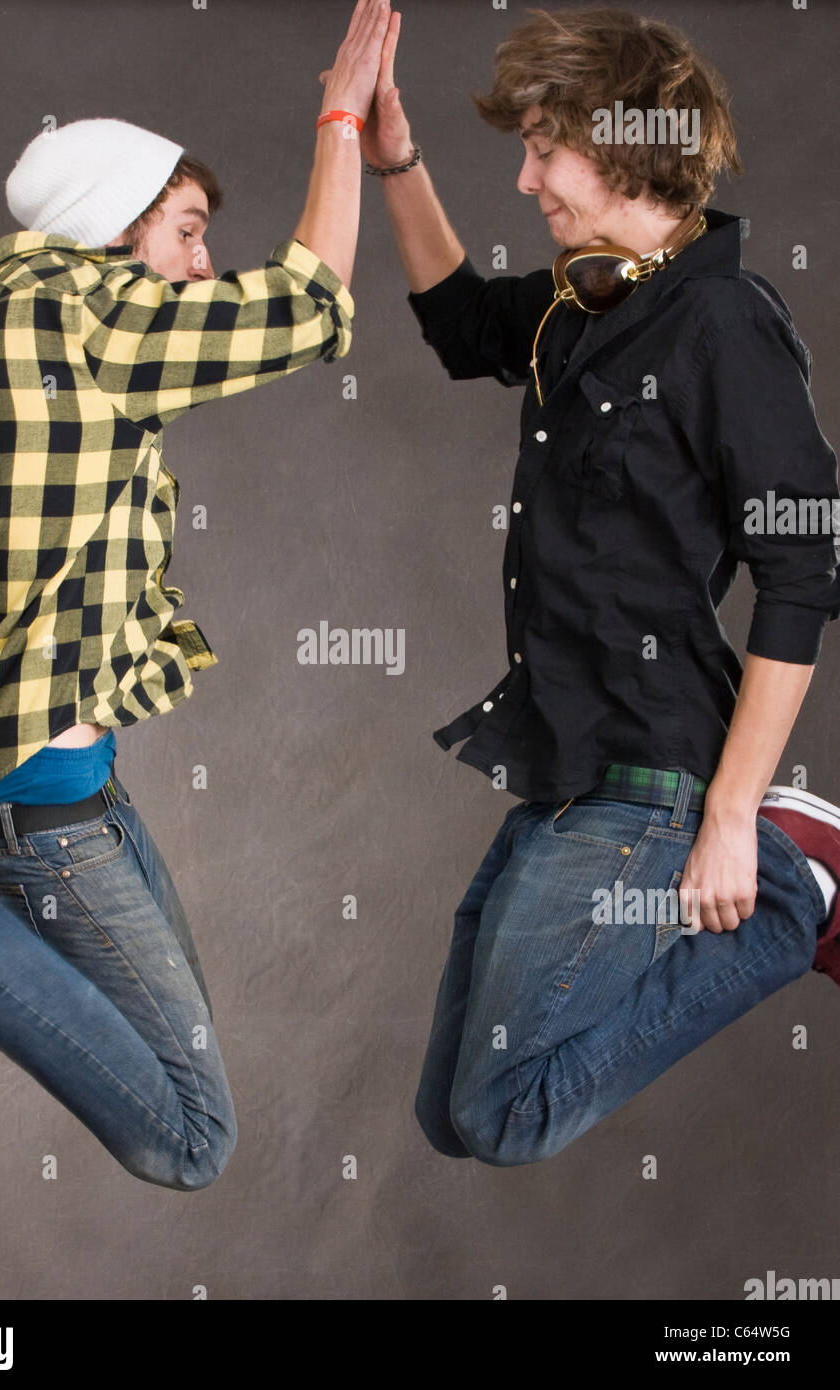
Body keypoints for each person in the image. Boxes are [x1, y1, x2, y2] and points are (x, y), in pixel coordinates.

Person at [0, 0, 393, 1190]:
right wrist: (341, 120)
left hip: (34, 781)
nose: (203, 262)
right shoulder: (101, 318)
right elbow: (310, 307)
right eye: (190, 230)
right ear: (116, 225)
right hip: (34, 801)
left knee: (171, 1046)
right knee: (193, 1135)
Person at [362, 5, 840, 1163]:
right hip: (569, 764)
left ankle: (791, 894)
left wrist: (728, 818)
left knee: (502, 1111)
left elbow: (803, 563)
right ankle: (778, 854)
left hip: (657, 771)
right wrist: (394, 160)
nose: (525, 179)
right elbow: (465, 322)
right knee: (450, 1115)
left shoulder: (724, 322)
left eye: (542, 149)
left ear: (625, 148)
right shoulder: (591, 301)